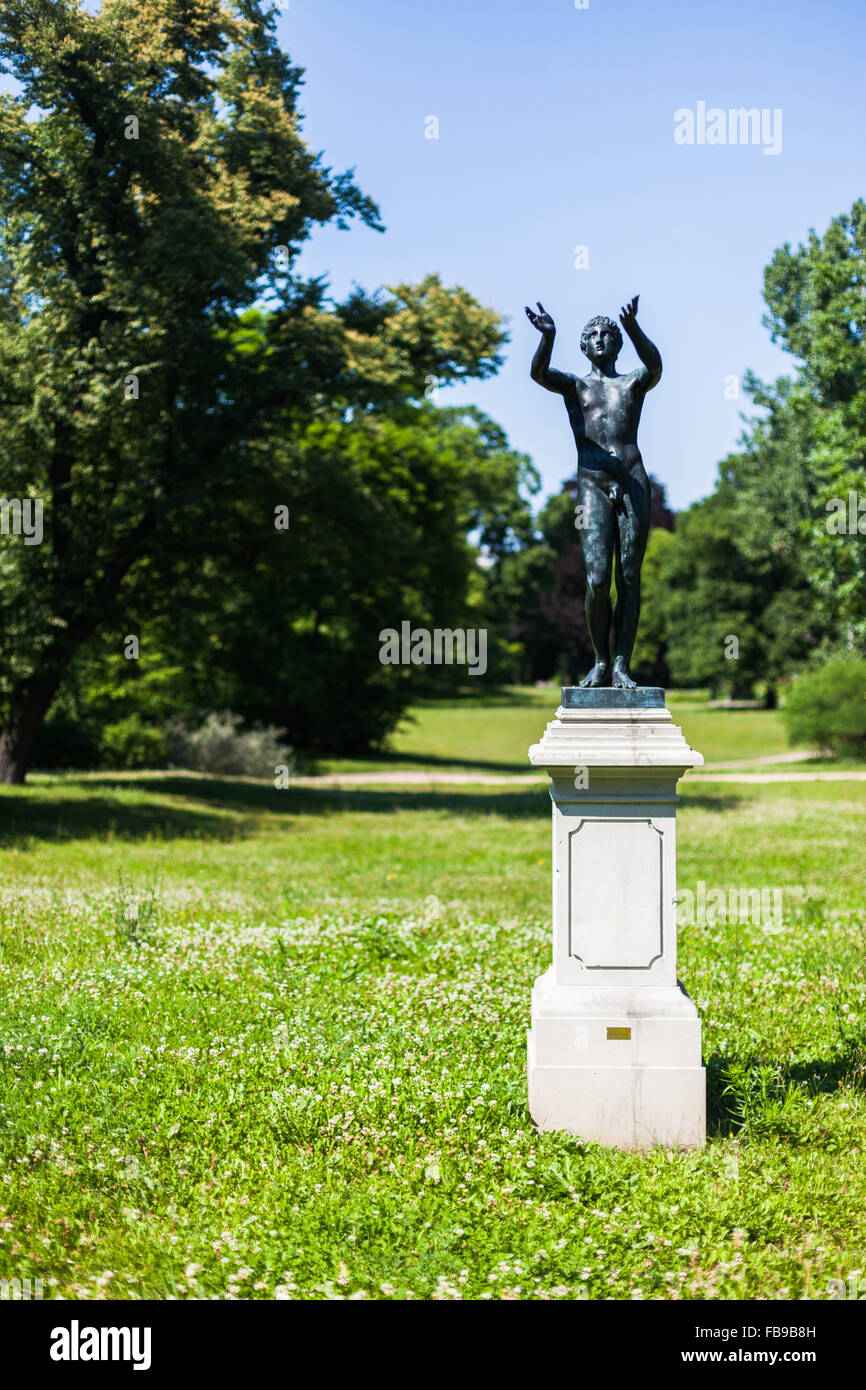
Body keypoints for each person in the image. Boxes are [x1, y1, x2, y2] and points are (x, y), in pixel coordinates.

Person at [525, 294, 662, 688]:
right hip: (593, 485)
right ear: (584, 345)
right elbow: (539, 374)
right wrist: (547, 337)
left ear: (616, 344)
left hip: (633, 481)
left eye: (607, 334)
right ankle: (601, 660)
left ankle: (622, 665)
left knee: (630, 577)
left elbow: (655, 366)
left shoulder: (632, 384)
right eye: (593, 335)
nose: (601, 339)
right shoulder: (576, 387)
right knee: (598, 579)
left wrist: (633, 326)